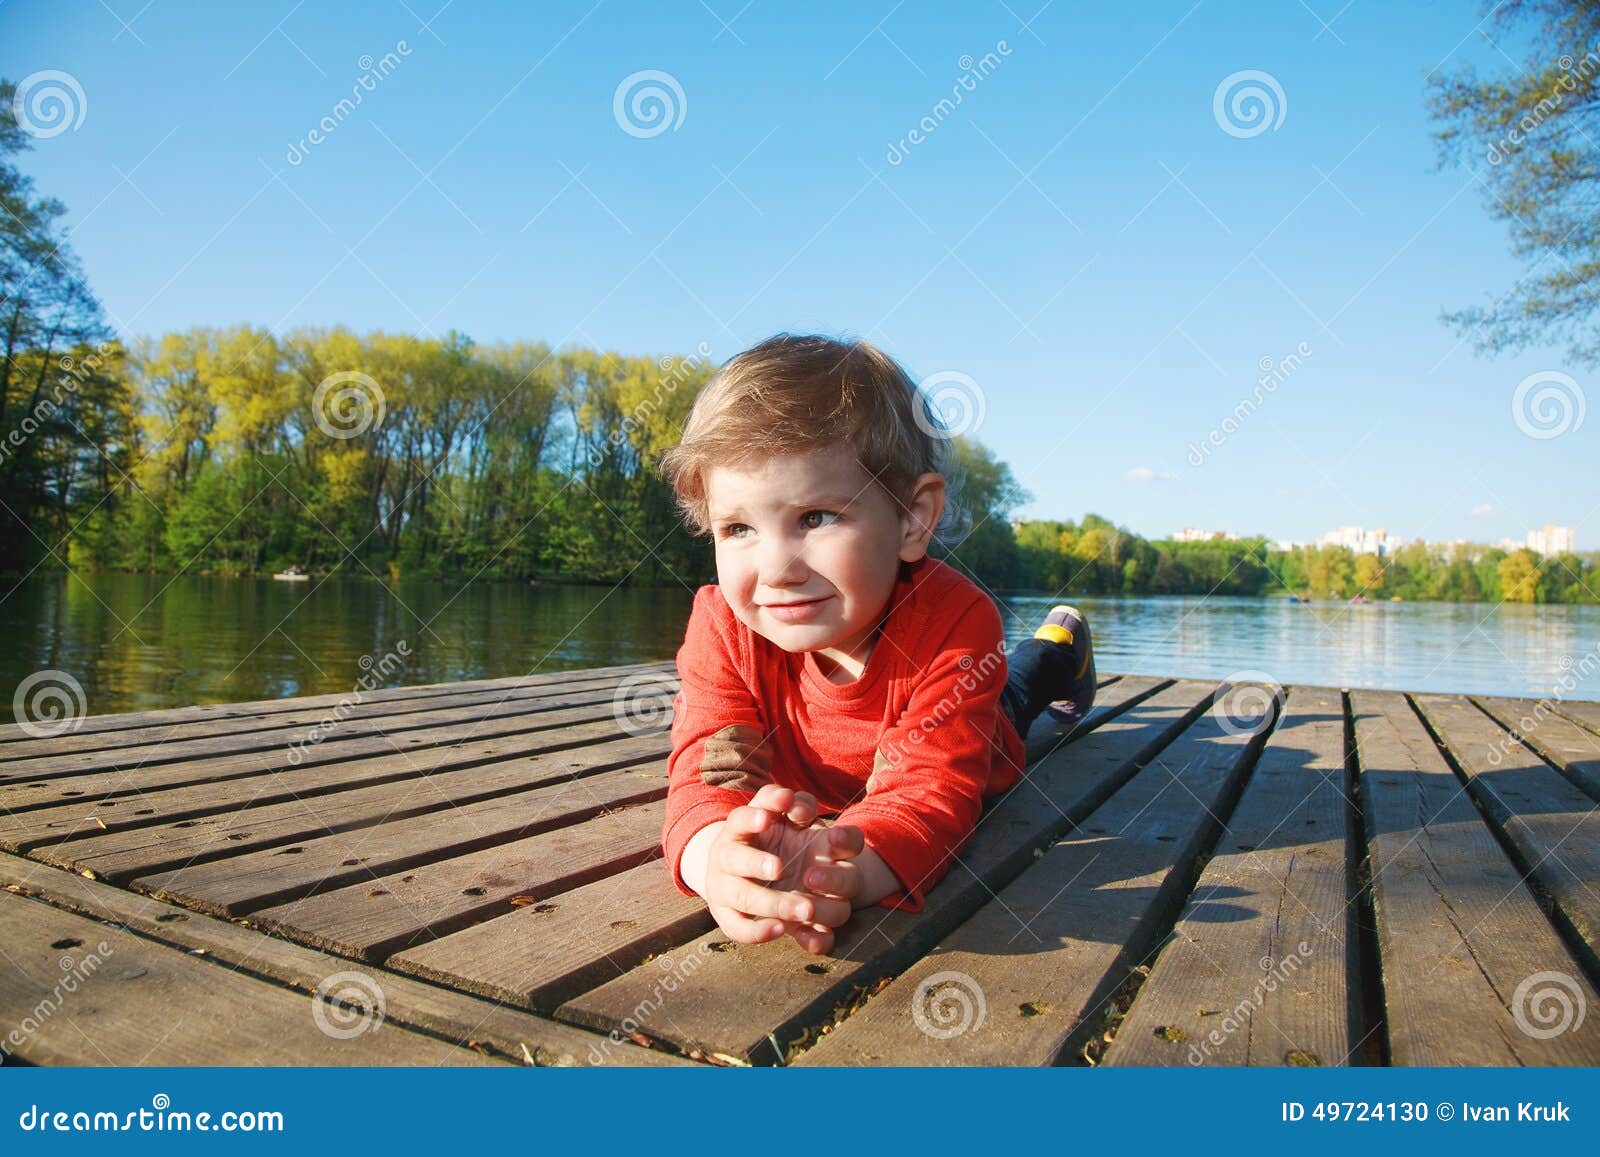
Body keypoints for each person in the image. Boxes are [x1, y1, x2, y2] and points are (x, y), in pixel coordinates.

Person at [654, 333, 1096, 956]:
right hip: (855, 780)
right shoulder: (724, 623)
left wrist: (840, 871)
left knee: (1018, 695)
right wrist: (714, 858)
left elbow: (929, 792)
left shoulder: (955, 622)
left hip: (978, 731)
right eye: (739, 528)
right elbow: (707, 765)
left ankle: (1059, 647)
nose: (776, 567)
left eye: (816, 518)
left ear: (913, 518)